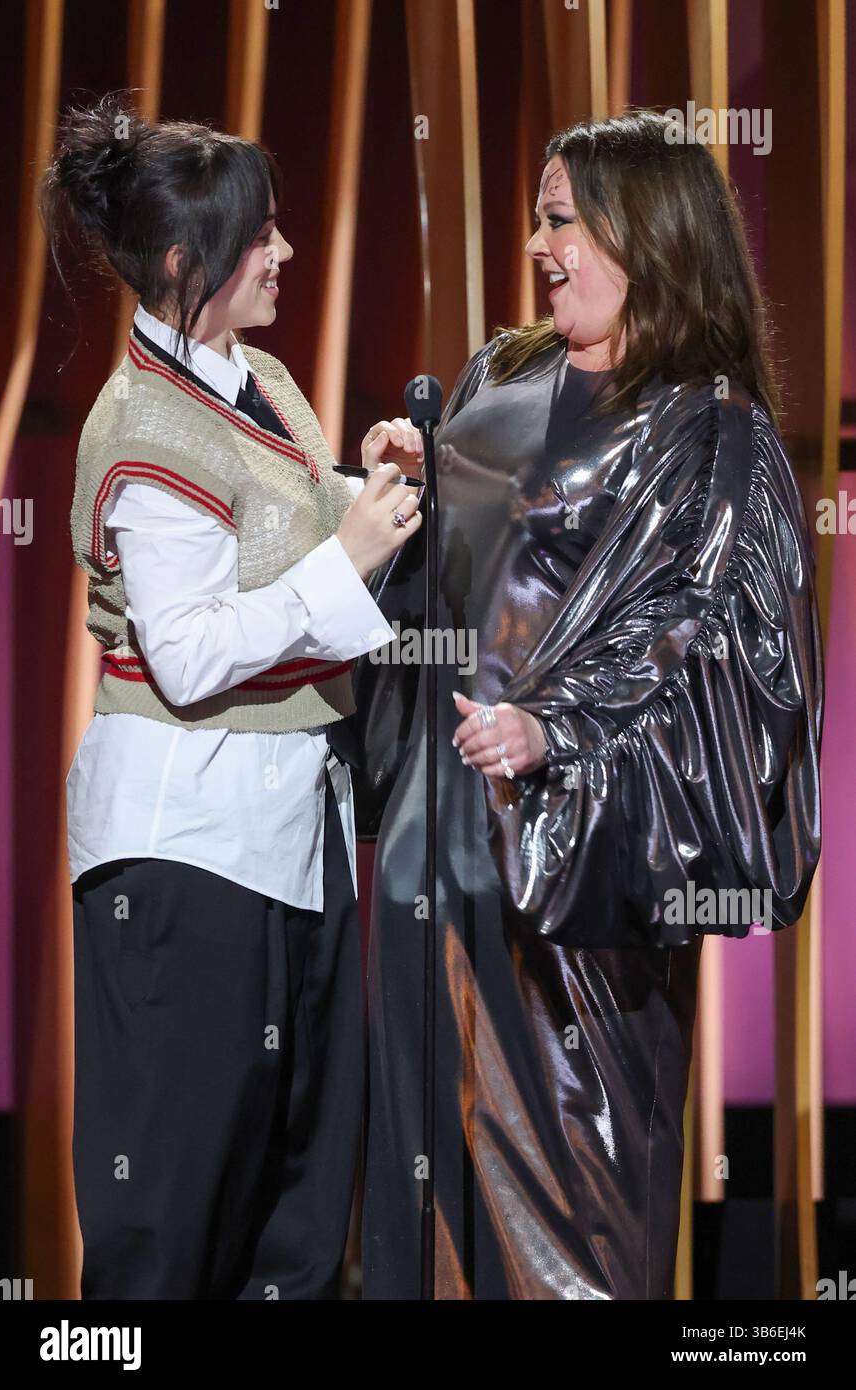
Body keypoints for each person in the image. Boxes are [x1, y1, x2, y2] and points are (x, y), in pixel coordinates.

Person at [352, 110, 823, 1300]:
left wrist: (562, 733)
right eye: (537, 217)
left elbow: (720, 650)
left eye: (560, 218)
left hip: (571, 881)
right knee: (422, 1199)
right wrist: (402, 491)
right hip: (430, 854)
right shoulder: (499, 376)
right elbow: (447, 588)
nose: (534, 242)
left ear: (645, 231)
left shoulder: (710, 431)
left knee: (572, 1213)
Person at [41, 93, 424, 1300]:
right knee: (167, 1215)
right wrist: (348, 548)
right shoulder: (139, 425)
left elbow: (293, 542)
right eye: (261, 235)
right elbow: (194, 650)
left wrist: (367, 487)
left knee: (296, 1215)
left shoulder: (253, 376)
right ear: (181, 262)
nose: (284, 252)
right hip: (185, 853)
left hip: (289, 840)